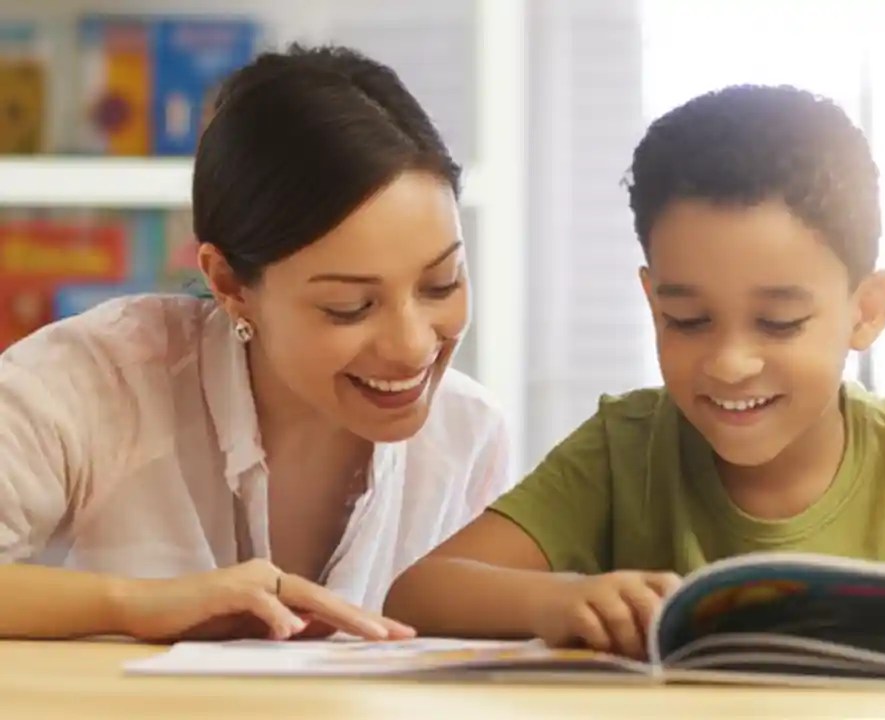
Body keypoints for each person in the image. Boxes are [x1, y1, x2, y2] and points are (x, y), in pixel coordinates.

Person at [385, 84, 885, 670]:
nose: (729, 361)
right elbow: (420, 590)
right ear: (650, 301)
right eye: (687, 319)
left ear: (868, 311)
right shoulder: (624, 451)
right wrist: (554, 602)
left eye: (779, 322)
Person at [0, 45, 511, 642]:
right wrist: (134, 605)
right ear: (229, 284)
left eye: (440, 284)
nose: (410, 346)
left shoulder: (468, 437)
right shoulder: (90, 385)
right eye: (349, 306)